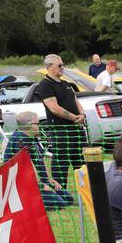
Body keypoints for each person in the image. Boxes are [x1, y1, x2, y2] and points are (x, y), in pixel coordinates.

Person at [34, 54, 87, 192]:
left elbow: (76, 102)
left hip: (77, 130)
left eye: (63, 65)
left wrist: (82, 115)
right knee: (61, 163)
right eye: (59, 65)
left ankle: (87, 191)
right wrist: (75, 118)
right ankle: (61, 193)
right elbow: (54, 108)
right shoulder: (45, 85)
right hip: (61, 131)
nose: (62, 68)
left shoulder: (66, 84)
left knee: (82, 162)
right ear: (49, 66)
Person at [2, 112, 73, 210]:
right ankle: (26, 202)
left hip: (37, 181)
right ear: (28, 125)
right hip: (23, 184)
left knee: (68, 199)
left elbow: (40, 162)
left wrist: (49, 180)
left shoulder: (33, 138)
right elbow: (26, 169)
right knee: (59, 203)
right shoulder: (20, 140)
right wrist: (40, 185)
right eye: (37, 123)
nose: (40, 125)